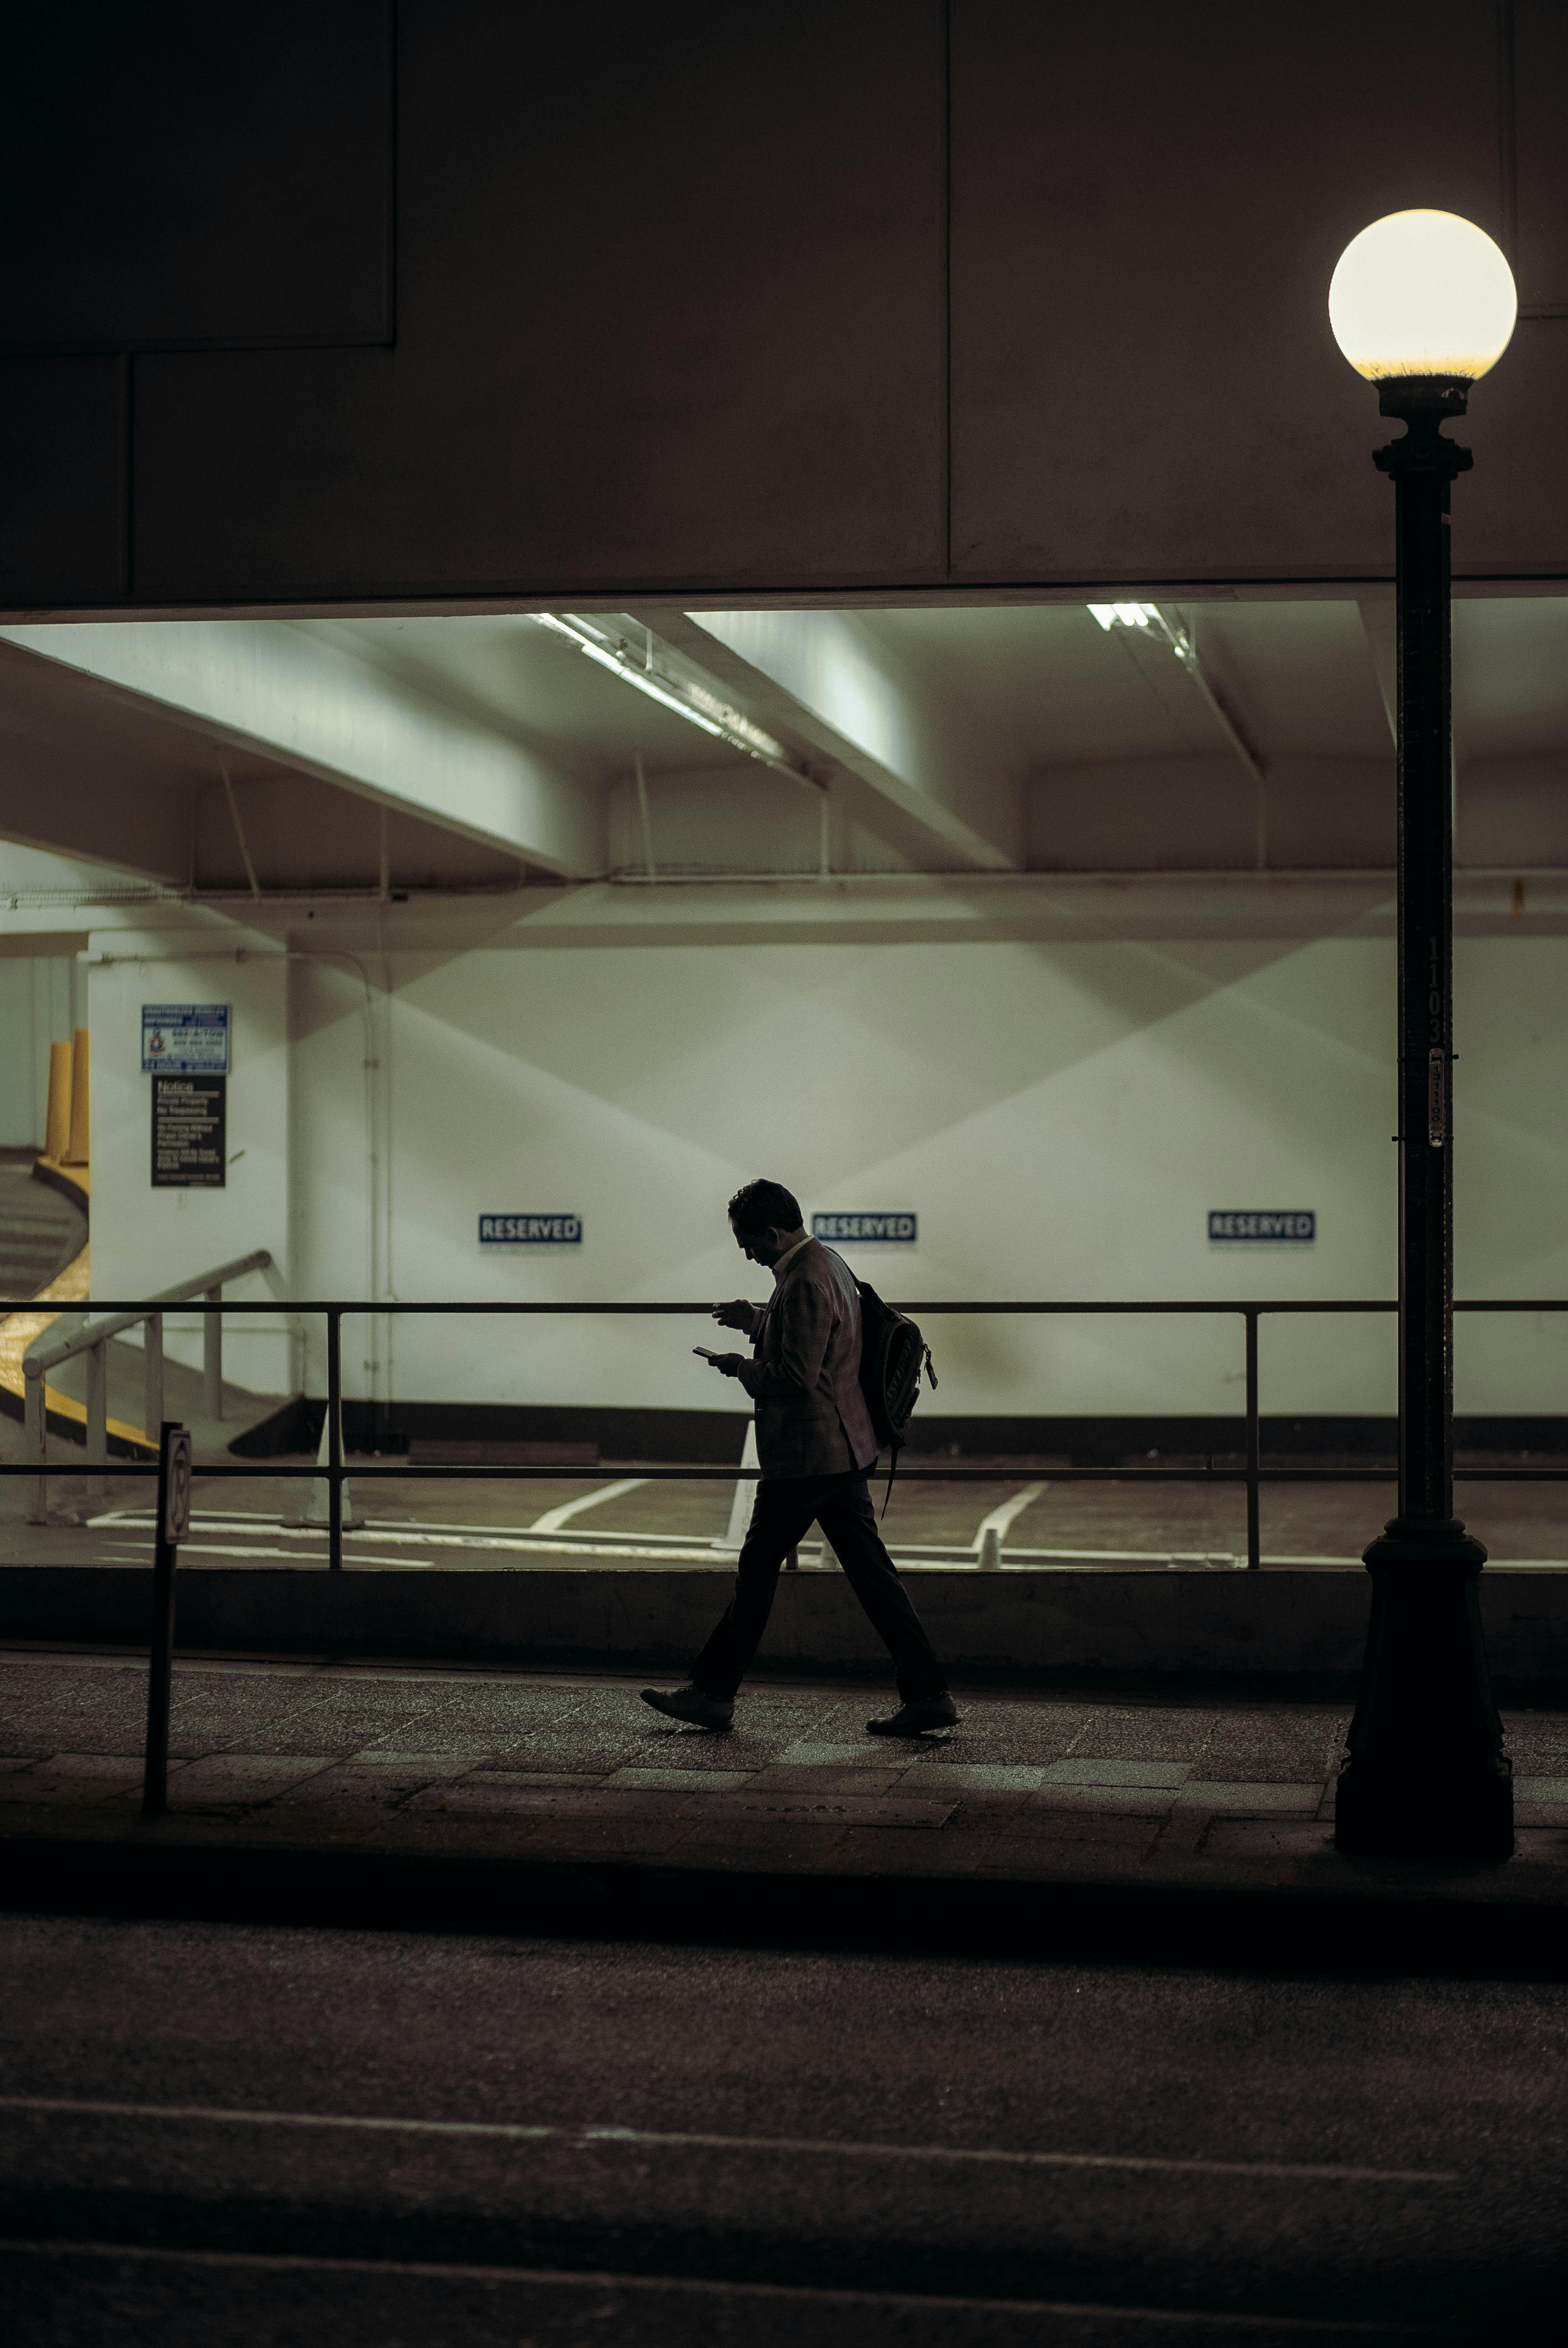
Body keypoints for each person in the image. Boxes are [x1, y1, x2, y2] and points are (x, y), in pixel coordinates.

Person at [642, 1178, 957, 1737]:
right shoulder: (824, 1261)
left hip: (810, 1455)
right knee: (873, 1578)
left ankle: (712, 1693)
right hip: (845, 1448)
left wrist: (739, 1366)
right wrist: (758, 1320)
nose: (746, 1252)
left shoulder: (805, 1279)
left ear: (773, 1230)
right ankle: (929, 1693)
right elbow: (819, 1340)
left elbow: (796, 1373)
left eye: (748, 1241)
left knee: (757, 1570)